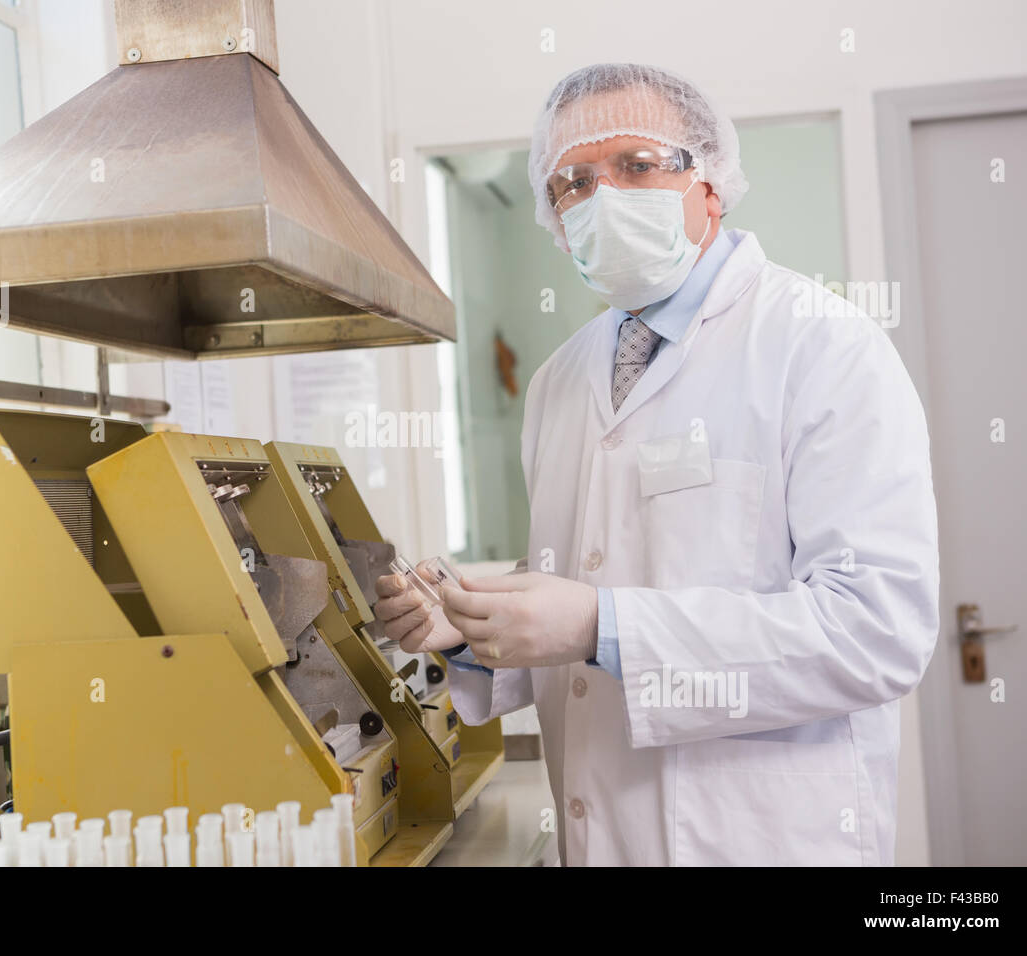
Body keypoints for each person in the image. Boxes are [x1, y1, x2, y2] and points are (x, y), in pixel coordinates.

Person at [374, 63, 939, 866]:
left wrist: (604, 625)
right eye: (573, 183)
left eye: (637, 166)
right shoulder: (558, 382)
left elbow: (874, 631)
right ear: (555, 217)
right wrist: (470, 633)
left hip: (763, 839)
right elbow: (577, 593)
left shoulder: (821, 345)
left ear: (709, 184)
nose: (603, 198)